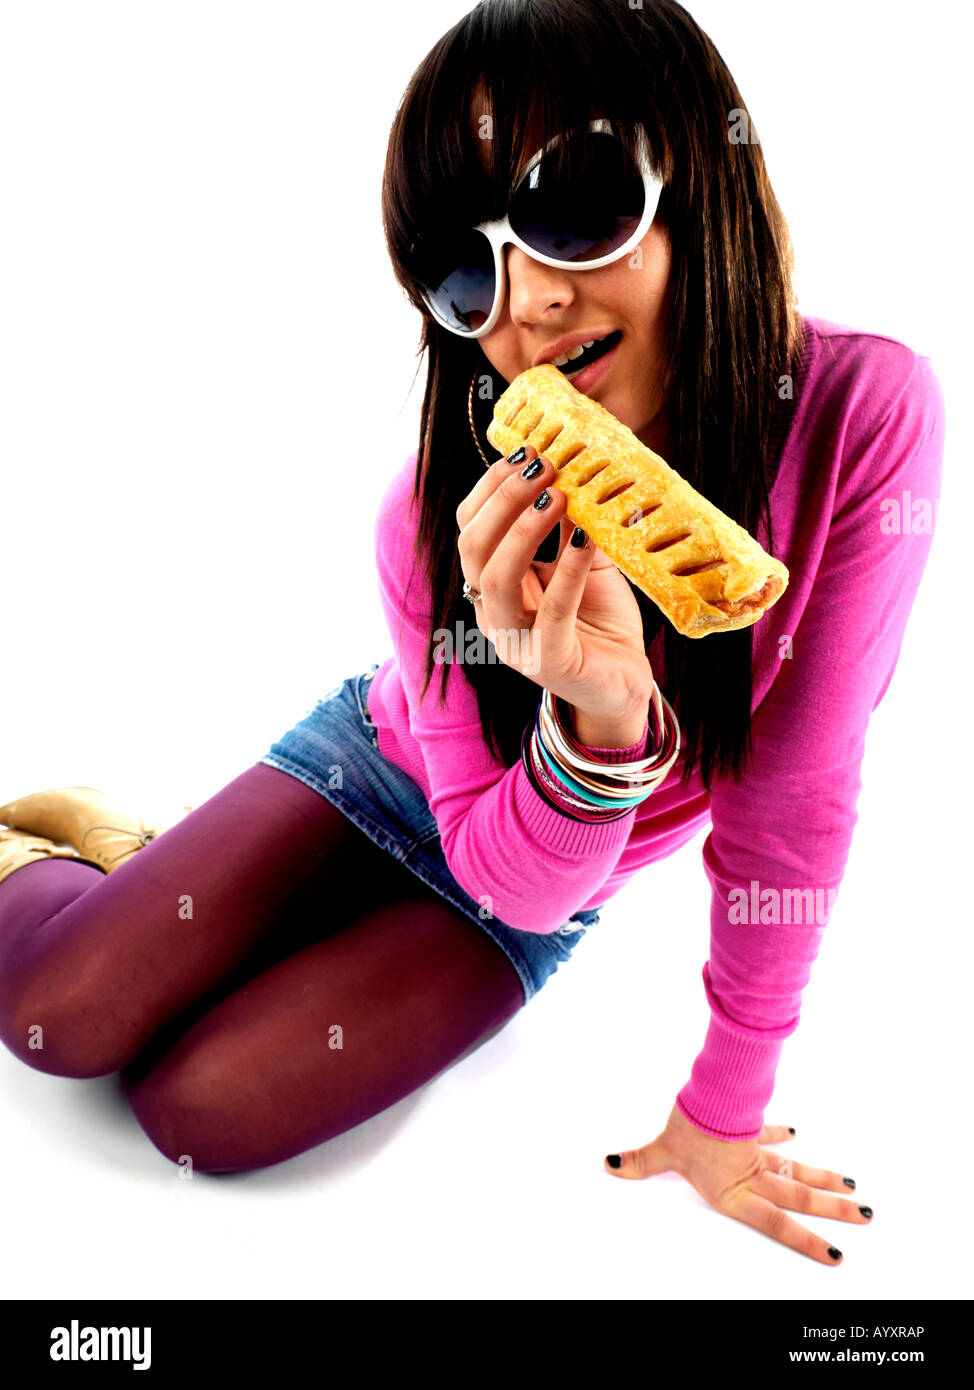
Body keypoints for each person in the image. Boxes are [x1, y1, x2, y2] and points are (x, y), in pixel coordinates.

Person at [0, 0, 943, 1266]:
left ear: (709, 174)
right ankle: (95, 859)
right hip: (372, 771)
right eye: (464, 269)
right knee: (58, 1016)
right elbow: (455, 793)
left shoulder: (861, 417)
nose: (533, 301)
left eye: (576, 204)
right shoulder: (427, 515)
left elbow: (788, 798)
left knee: (195, 1113)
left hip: (518, 892)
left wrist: (722, 1100)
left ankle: (184, 887)